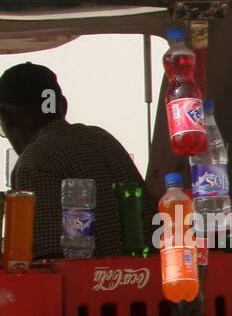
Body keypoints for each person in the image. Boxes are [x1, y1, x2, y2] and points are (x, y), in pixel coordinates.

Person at [0, 62, 147, 258]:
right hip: (143, 279)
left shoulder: (33, 162)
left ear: (7, 119)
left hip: (87, 286)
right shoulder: (102, 139)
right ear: (63, 106)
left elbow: (50, 259)